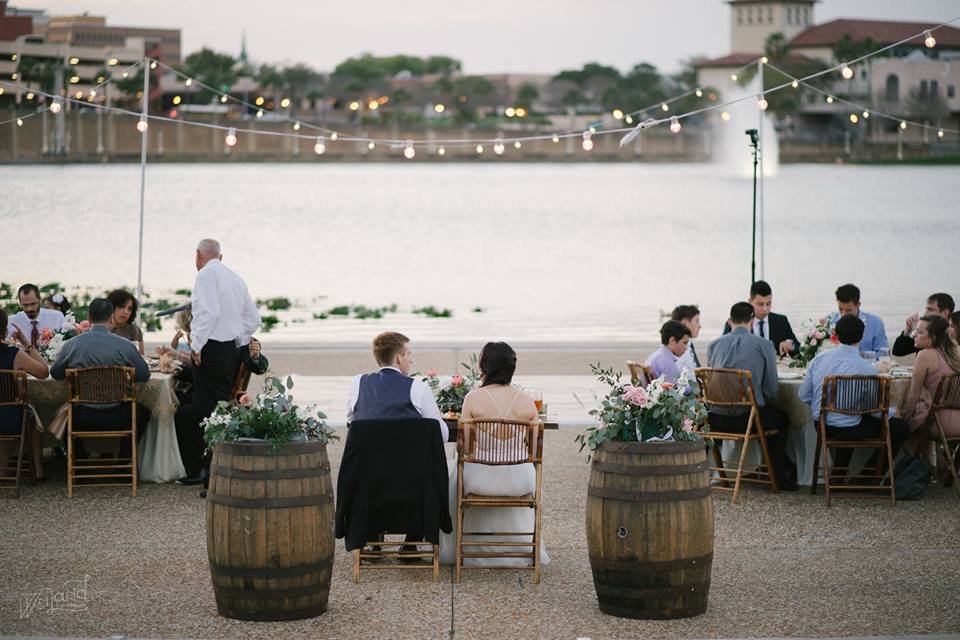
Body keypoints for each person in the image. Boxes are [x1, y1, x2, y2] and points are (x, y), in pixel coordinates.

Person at [439, 342, 549, 567]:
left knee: (451, 476)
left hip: (479, 480)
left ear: (484, 366)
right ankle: (517, 544)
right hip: (520, 481)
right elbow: (532, 449)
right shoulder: (527, 402)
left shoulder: (473, 398)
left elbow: (465, 448)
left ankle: (465, 545)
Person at [175, 239, 261, 486]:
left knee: (205, 411)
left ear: (198, 255)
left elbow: (208, 313)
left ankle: (205, 472)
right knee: (214, 410)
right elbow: (253, 319)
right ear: (220, 257)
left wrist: (197, 344)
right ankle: (212, 470)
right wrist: (238, 340)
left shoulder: (205, 275)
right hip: (229, 352)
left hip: (211, 350)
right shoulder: (236, 278)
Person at [798, 314, 910, 476]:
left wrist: (826, 408)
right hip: (850, 428)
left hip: (822, 425)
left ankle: (838, 475)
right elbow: (873, 408)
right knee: (900, 428)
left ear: (835, 335)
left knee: (851, 416)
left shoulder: (819, 359)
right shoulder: (866, 368)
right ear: (861, 336)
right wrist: (893, 412)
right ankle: (867, 478)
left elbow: (803, 395)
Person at [50, 298, 151, 463]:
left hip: (82, 416)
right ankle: (123, 462)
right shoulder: (125, 345)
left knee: (62, 415)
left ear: (89, 318)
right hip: (119, 415)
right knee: (143, 414)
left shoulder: (72, 345)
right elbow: (144, 375)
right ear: (111, 318)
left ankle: (79, 461)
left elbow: (55, 373)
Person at [707, 301, 796, 489]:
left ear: (730, 321)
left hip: (715, 419)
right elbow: (772, 391)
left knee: (768, 415)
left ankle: (731, 471)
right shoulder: (764, 345)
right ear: (752, 320)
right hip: (747, 420)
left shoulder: (713, 345)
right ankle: (778, 476)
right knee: (781, 419)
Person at [346, 331, 447, 442]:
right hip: (409, 453)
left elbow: (353, 424)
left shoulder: (357, 383)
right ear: (398, 358)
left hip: (367, 453)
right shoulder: (418, 387)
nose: (411, 360)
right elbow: (441, 435)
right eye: (408, 354)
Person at [897, 315, 960, 459]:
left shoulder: (925, 355)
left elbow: (913, 394)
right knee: (921, 412)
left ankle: (919, 466)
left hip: (941, 423)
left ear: (933, 337)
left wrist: (904, 419)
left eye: (919, 332)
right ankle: (927, 464)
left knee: (903, 423)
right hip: (956, 418)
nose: (914, 335)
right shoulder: (955, 353)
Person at [0, 309, 50, 481]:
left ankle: (4, 468)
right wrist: (26, 344)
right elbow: (44, 372)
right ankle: (37, 469)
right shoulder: (13, 354)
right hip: (9, 420)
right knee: (32, 410)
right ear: (4, 329)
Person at [723, 280, 799, 358]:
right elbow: (724, 351)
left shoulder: (781, 321)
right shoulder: (736, 323)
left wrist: (791, 346)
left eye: (768, 304)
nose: (765, 309)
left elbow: (799, 350)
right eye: (760, 304)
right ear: (750, 302)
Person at [829, 283, 888, 354]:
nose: (843, 314)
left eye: (848, 310)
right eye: (840, 309)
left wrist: (860, 356)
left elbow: (883, 353)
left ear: (858, 305)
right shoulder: (829, 321)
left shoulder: (876, 323)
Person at [892, 293, 954, 357]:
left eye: (930, 309)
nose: (925, 313)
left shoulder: (953, 333)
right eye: (926, 309)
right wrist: (907, 330)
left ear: (945, 312)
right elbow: (898, 351)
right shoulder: (927, 330)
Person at [107, 289, 145, 355]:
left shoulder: (134, 330)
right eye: (121, 307)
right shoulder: (101, 328)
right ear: (111, 307)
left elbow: (140, 357)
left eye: (129, 309)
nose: (126, 312)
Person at [671, 305, 702, 372]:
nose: (700, 326)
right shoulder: (679, 350)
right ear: (684, 323)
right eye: (696, 321)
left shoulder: (688, 344)